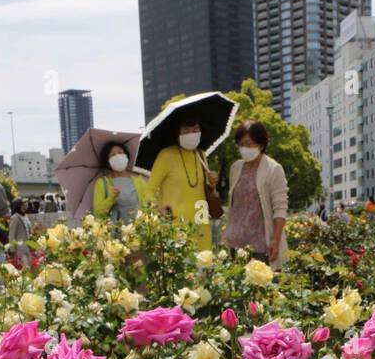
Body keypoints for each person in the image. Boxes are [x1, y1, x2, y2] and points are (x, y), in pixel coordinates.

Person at [147, 112, 218, 250]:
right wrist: (157, 209)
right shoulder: (166, 155)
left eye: (195, 129)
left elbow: (202, 191)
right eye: (186, 130)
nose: (192, 133)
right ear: (177, 134)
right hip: (176, 226)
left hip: (201, 223)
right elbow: (149, 189)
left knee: (203, 267)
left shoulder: (201, 154)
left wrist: (211, 183)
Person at [223, 120, 289, 269]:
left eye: (248, 143)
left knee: (262, 287)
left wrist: (275, 240)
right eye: (240, 144)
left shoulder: (273, 169)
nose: (243, 148)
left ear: (261, 144)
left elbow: (280, 208)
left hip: (261, 244)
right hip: (236, 242)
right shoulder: (235, 168)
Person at [93, 142, 149, 224]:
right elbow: (98, 213)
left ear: (126, 156)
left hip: (139, 231)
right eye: (112, 155)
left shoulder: (139, 180)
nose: (118, 156)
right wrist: (111, 197)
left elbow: (148, 205)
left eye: (120, 152)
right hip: (115, 233)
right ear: (108, 161)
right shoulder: (102, 183)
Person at [8, 197, 33, 268]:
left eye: (24, 204)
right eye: (22, 204)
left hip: (28, 248)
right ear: (17, 206)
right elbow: (11, 235)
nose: (25, 205)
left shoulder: (26, 216)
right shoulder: (15, 218)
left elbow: (29, 230)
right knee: (24, 269)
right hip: (20, 250)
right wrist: (12, 250)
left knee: (30, 268)